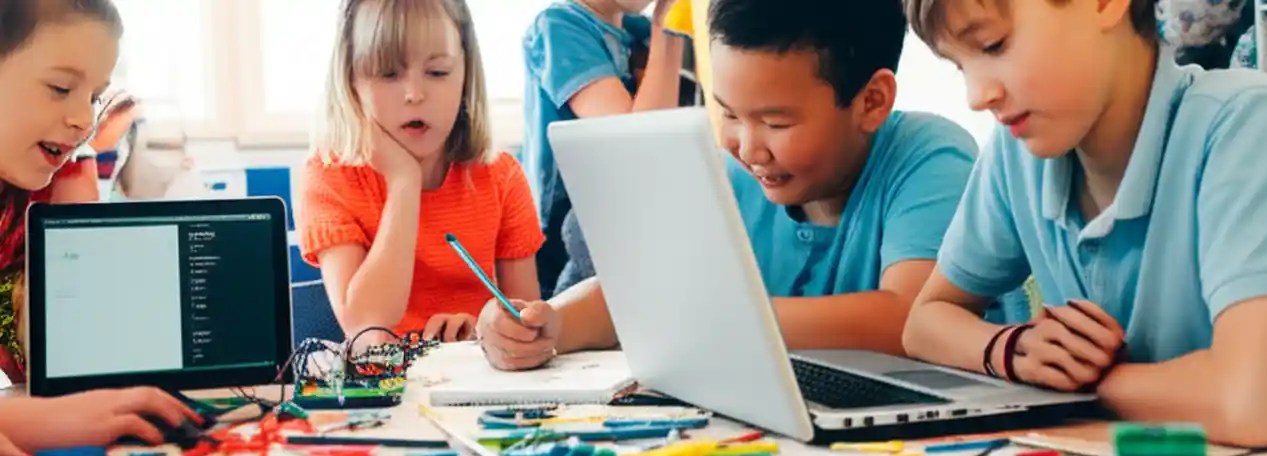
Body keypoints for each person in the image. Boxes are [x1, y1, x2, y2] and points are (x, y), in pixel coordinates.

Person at [478, 0, 981, 372]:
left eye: (776, 123)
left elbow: (909, 317)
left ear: (871, 101)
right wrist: (550, 323)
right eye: (730, 114)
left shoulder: (930, 155)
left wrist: (708, 318)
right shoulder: (730, 176)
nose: (748, 147)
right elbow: (639, 296)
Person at [900, 0, 1267, 447]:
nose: (977, 96)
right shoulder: (1016, 154)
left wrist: (1079, 384)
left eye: (993, 45)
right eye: (959, 67)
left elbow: (1252, 402)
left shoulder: (1247, 125)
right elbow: (923, 322)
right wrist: (1012, 350)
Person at [0, 0, 202, 455]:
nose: (85, 120)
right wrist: (48, 420)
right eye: (59, 88)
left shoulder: (47, 183)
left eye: (94, 96)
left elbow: (66, 363)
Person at [300, 0, 543, 345]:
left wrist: (480, 334)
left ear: (465, 76)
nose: (414, 94)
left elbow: (529, 329)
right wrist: (403, 181)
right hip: (387, 392)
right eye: (388, 74)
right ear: (351, 81)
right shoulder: (329, 176)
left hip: (478, 381)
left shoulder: (501, 176)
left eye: (438, 72)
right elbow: (366, 327)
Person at [522, 0, 686, 297]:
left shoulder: (639, 32)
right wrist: (668, 30)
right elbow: (635, 144)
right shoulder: (559, 26)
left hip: (626, 226)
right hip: (563, 240)